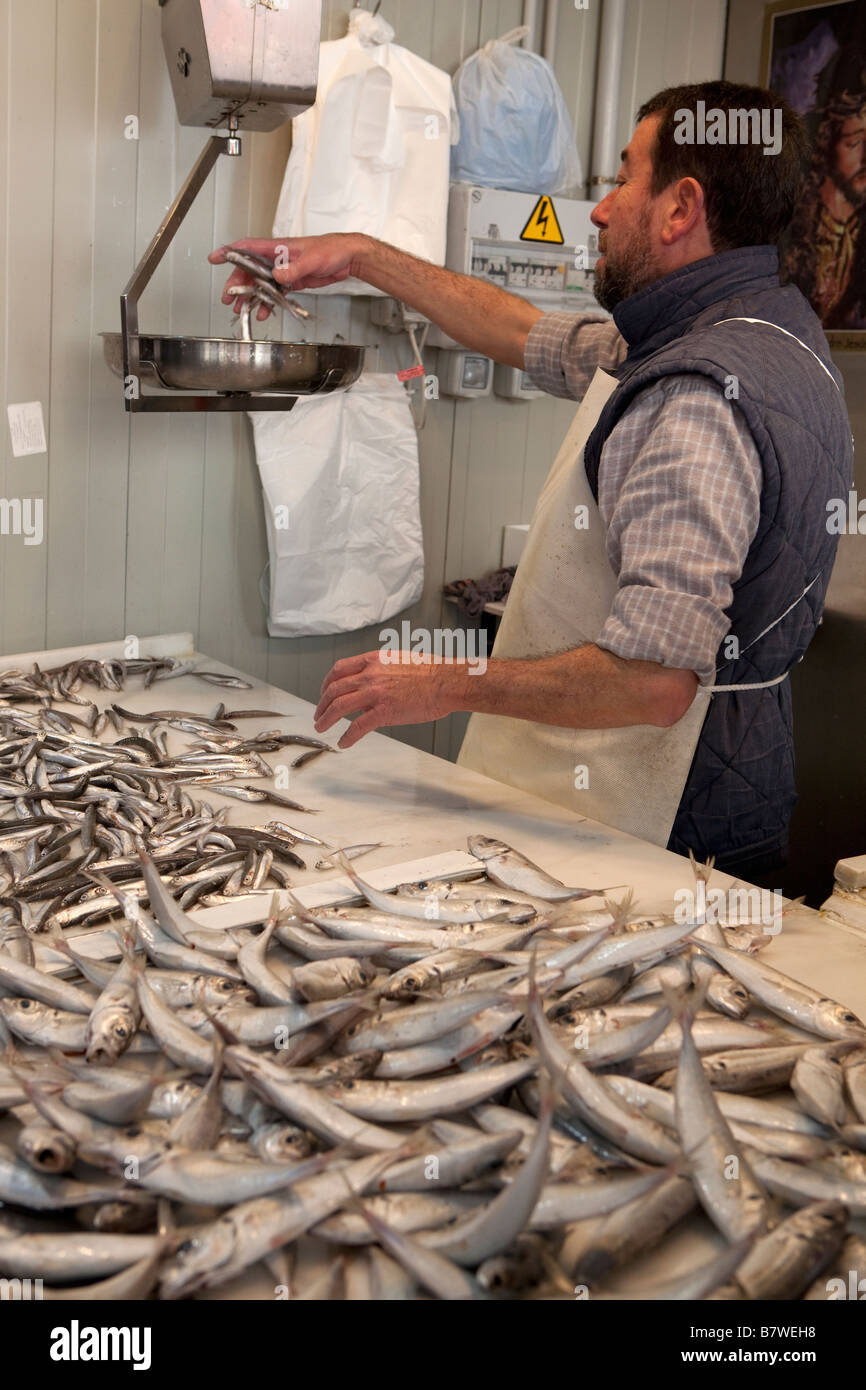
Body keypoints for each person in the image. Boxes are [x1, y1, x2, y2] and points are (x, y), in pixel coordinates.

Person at [212, 79, 854, 884]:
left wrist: (441, 682)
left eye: (624, 179)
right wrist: (362, 256)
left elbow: (654, 679)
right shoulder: (757, 330)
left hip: (659, 823)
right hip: (725, 784)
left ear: (679, 207)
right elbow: (520, 331)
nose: (599, 209)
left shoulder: (695, 393)